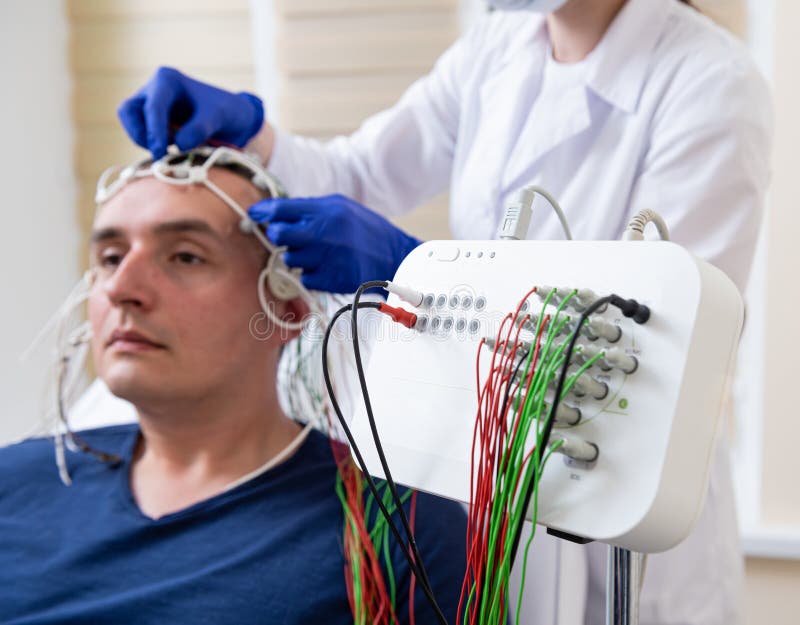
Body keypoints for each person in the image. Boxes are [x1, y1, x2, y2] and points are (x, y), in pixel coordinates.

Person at [117, 0, 772, 623]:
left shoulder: (710, 83)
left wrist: (416, 270)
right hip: (489, 478)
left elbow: (661, 347)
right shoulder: (497, 48)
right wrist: (252, 135)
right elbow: (362, 170)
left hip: (624, 513)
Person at [0, 149, 467, 624]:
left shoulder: (396, 532)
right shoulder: (13, 483)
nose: (122, 287)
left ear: (286, 311)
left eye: (185, 256)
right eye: (111, 257)